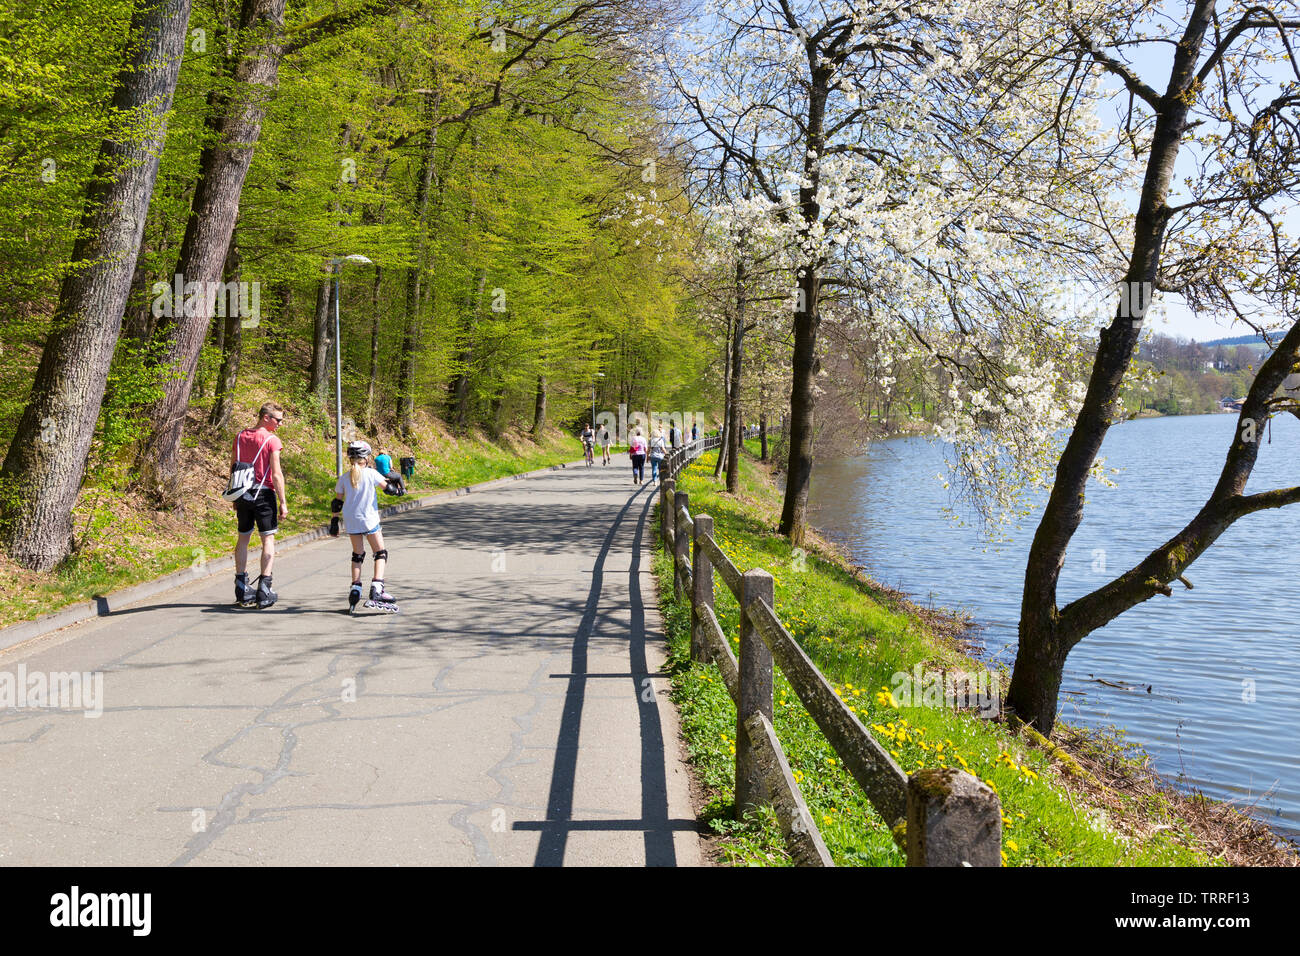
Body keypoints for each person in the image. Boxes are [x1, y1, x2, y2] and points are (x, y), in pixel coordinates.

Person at [330, 440, 406, 613]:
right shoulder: (371, 474)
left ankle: (355, 589)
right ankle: (377, 588)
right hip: (369, 519)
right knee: (380, 553)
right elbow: (388, 489)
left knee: (357, 555)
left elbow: (337, 502)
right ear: (367, 457)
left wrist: (334, 522)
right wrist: (399, 491)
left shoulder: (343, 477)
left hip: (351, 520)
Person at [231, 402, 288, 609]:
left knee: (243, 538)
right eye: (278, 419)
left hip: (243, 493)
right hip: (264, 494)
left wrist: (235, 495)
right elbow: (276, 474)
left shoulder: (240, 437)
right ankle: (265, 587)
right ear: (266, 417)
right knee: (268, 540)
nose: (281, 424)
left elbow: (233, 466)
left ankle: (241, 586)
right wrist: (283, 502)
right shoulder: (272, 440)